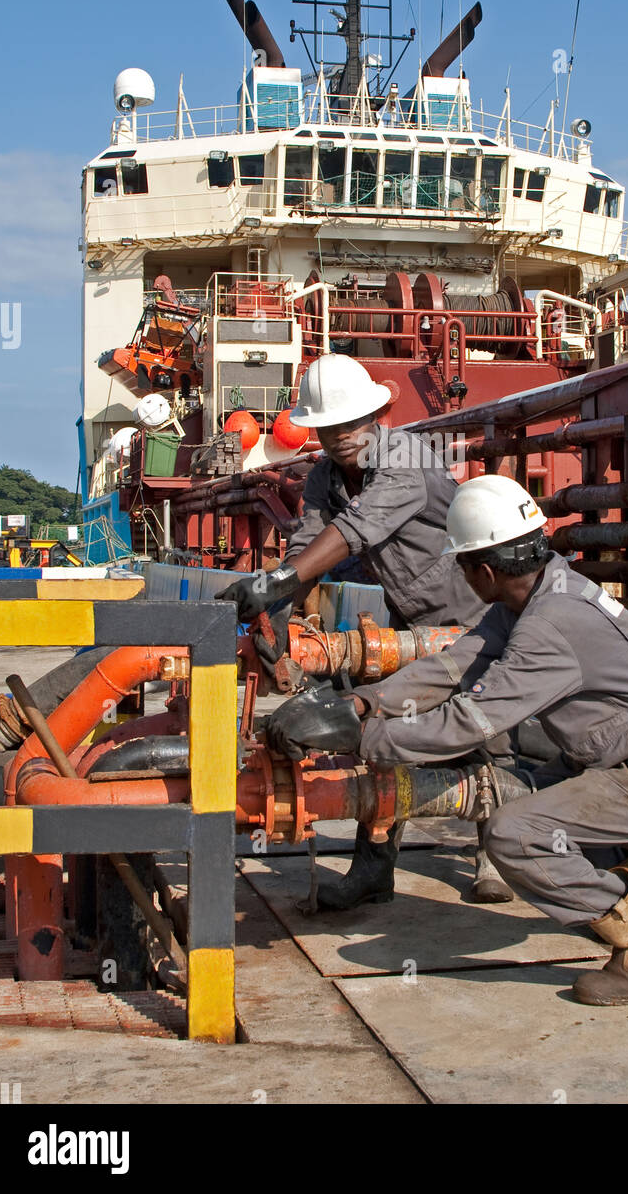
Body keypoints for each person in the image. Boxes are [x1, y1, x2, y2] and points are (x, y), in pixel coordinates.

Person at [265, 474, 628, 1006]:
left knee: (514, 834)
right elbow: (452, 666)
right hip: (610, 758)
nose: (459, 574)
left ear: (482, 569)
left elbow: (469, 721)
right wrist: (362, 704)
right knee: (509, 793)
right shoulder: (537, 594)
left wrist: (362, 739)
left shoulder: (550, 626)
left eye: (460, 563)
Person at [218, 352, 512, 909]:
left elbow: (356, 529)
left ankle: (492, 851)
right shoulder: (326, 477)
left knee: (485, 727)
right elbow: (308, 545)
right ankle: (374, 868)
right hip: (406, 619)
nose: (341, 437)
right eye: (329, 428)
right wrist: (282, 615)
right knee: (389, 733)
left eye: (351, 424)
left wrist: (278, 581)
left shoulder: (405, 458)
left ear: (374, 418)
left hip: (472, 611)